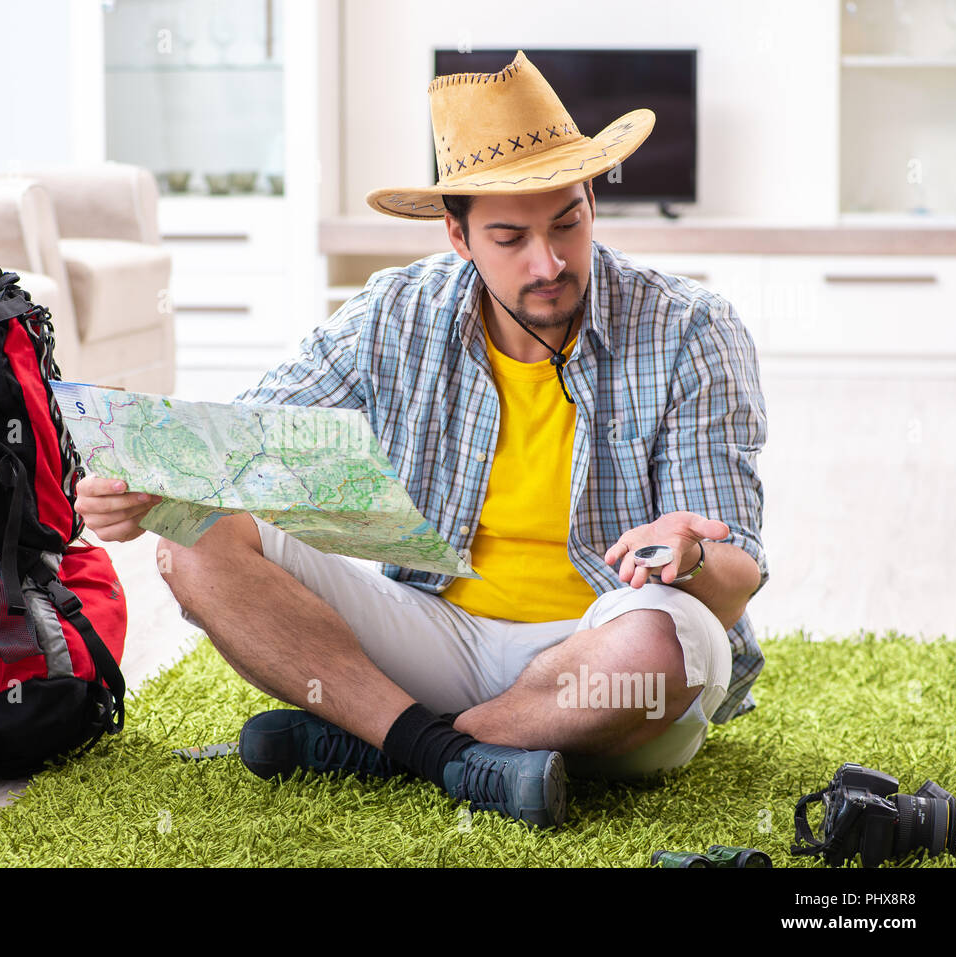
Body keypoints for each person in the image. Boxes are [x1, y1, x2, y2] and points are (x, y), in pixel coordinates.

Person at [74, 51, 768, 830]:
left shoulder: (690, 330)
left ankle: (391, 741)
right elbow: (249, 439)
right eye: (511, 237)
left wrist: (694, 551)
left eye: (568, 222)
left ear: (591, 205)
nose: (549, 262)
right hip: (438, 633)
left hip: (603, 652)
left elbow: (737, 574)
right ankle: (462, 753)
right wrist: (153, 483)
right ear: (458, 235)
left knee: (656, 654)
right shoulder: (397, 313)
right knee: (191, 534)